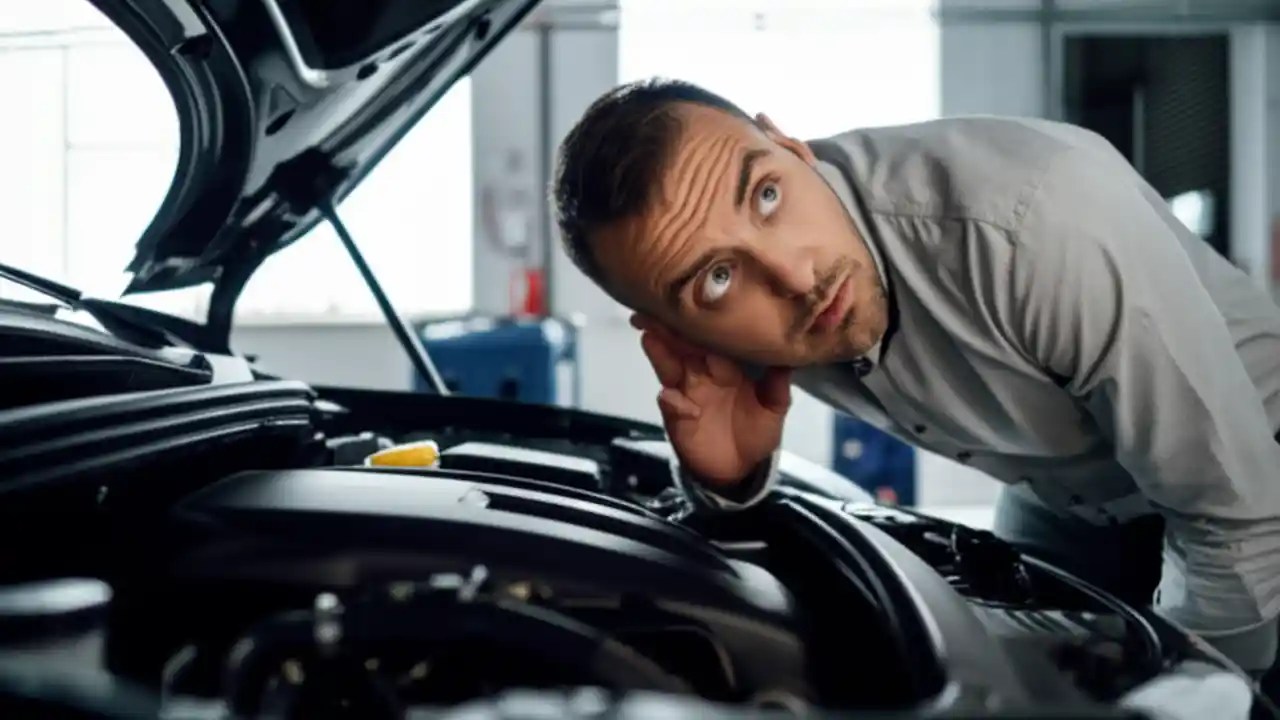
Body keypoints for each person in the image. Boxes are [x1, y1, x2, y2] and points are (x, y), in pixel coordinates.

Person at [549, 77, 1280, 682]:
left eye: (767, 194)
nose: (798, 275)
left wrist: (1196, 693)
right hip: (1064, 488)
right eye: (716, 277)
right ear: (677, 331)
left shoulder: (1037, 223)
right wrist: (731, 486)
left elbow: (1235, 516)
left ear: (791, 148)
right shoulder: (727, 330)